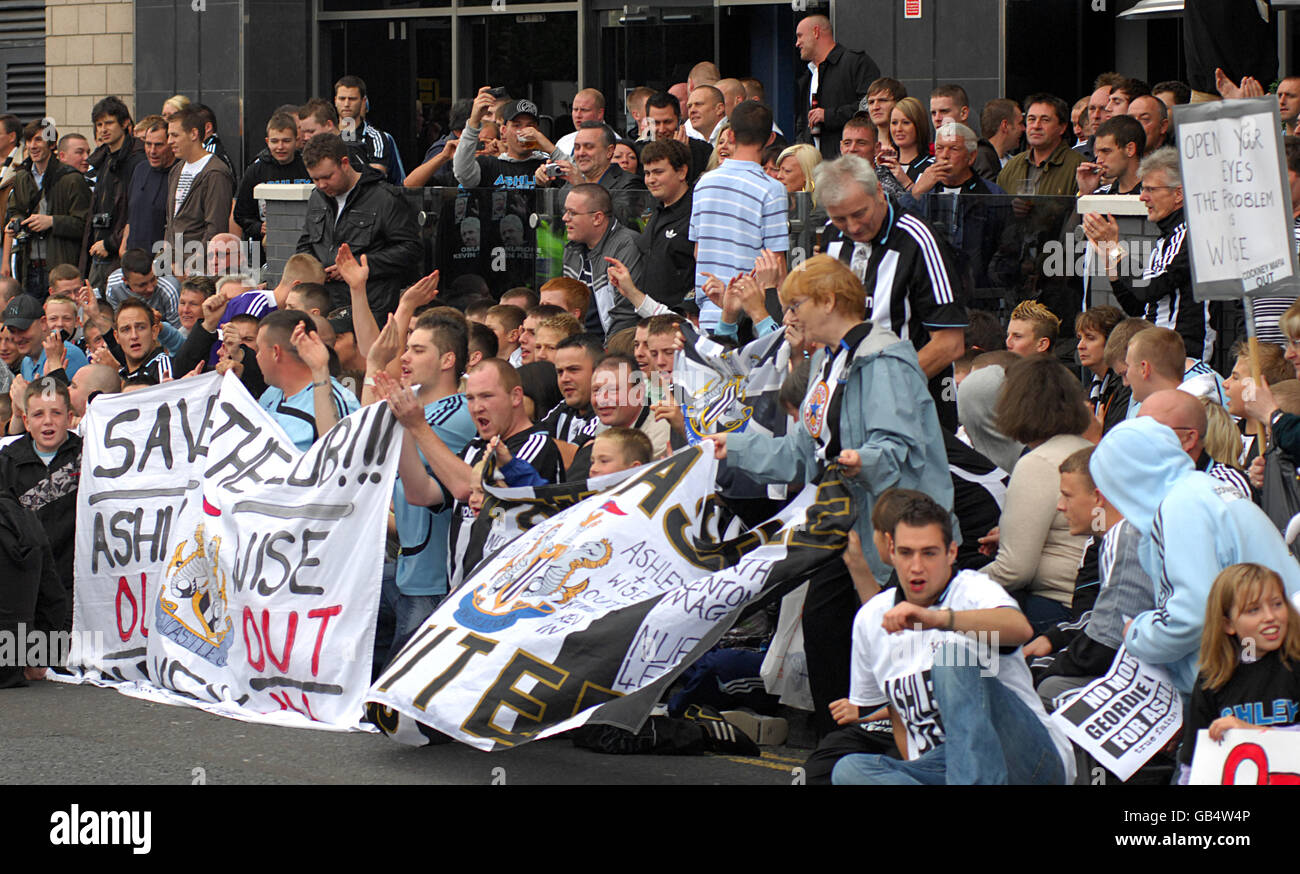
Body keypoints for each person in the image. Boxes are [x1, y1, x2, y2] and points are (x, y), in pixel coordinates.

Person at [709, 254, 952, 735]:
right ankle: (840, 743)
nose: (791, 316)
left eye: (796, 304)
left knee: (883, 645)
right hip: (847, 525)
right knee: (825, 632)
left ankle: (879, 745)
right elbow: (800, 452)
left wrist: (863, 460)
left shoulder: (884, 360)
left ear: (828, 301)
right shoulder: (828, 360)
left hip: (899, 535)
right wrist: (730, 446)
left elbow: (899, 448)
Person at [829, 494, 1075, 785]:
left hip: (1025, 761)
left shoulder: (973, 590)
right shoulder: (871, 618)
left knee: (952, 658)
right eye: (907, 553)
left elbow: (1019, 629)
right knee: (850, 771)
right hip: (942, 766)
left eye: (929, 553)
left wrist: (940, 619)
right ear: (892, 551)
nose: (916, 566)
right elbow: (899, 715)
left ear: (951, 553)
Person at [1091, 416, 1300, 695]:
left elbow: (1192, 615)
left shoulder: (1180, 506)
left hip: (1252, 678)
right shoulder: (1201, 488)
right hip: (1275, 659)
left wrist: (1137, 635)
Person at [383, 358, 565, 590]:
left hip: (510, 593)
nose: (477, 406)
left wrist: (419, 426)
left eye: (487, 396)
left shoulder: (536, 444)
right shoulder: (474, 448)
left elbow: (465, 488)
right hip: (462, 592)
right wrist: (404, 428)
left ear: (516, 397)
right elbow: (421, 494)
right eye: (470, 398)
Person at [815, 155, 966, 431]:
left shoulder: (918, 239)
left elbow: (950, 343)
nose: (853, 227)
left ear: (880, 193)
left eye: (860, 213)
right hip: (844, 406)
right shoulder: (831, 237)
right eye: (839, 219)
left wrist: (882, 387)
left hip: (910, 409)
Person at [378, 311, 476, 658]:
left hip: (433, 578)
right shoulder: (412, 404)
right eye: (406, 348)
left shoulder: (459, 413)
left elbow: (416, 489)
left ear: (448, 360)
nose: (405, 357)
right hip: (407, 570)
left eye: (418, 350)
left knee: (399, 694)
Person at [1027, 446, 1155, 708]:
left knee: (1048, 689)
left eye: (1067, 496)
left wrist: (1045, 669)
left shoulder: (1125, 537)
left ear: (1098, 498)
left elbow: (1104, 645)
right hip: (1143, 660)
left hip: (1159, 678)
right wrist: (1057, 637)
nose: (1060, 506)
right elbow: (1104, 621)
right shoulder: (1111, 535)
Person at [980, 356, 1092, 631]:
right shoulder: (1088, 451)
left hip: (1056, 607)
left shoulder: (1037, 463)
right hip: (1086, 604)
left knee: (955, 642)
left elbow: (1014, 570)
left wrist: (952, 588)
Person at [1083, 146, 1209, 361]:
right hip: (1156, 354)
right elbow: (1138, 306)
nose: (1142, 198)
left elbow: (1149, 289)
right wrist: (1110, 259)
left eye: (1150, 190)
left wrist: (1115, 249)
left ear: (1178, 194)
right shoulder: (1166, 238)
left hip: (1182, 360)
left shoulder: (1190, 233)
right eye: (1143, 189)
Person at [1178, 563, 1300, 781]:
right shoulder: (1212, 678)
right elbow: (1192, 764)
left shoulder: (1295, 662)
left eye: (1277, 604)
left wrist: (1252, 733)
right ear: (1228, 624)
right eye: (1254, 610)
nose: (1270, 616)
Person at [296, 133, 421, 320]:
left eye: (328, 176)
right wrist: (315, 270)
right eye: (315, 179)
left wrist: (360, 265)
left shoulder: (385, 198)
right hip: (326, 306)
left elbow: (412, 250)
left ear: (345, 163)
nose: (322, 184)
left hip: (371, 306)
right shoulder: (317, 197)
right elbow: (305, 244)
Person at [689, 101, 787, 333]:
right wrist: (786, 311)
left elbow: (697, 251)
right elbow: (775, 263)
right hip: (754, 318)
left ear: (730, 135)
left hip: (711, 312)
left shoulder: (703, 183)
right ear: (771, 138)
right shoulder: (772, 189)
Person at [0, 377, 82, 596]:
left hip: (76, 583)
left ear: (70, 417)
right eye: (38, 414)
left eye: (56, 413)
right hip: (25, 585)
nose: (48, 421)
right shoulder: (7, 462)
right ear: (26, 421)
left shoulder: (89, 456)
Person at [3, 121, 91, 298]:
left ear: (51, 144)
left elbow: (85, 226)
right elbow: (14, 210)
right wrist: (17, 222)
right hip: (28, 267)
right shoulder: (21, 177)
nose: (32, 146)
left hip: (61, 269)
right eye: (28, 141)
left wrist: (52, 222)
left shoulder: (72, 179)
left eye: (38, 140)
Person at [255, 309, 358, 452]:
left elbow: (342, 460)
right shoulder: (272, 393)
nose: (257, 357)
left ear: (276, 352)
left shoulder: (335, 399)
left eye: (259, 349)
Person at [1138, 388, 1252, 500]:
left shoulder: (1224, 485)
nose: (1139, 436)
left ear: (1188, 439)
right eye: (1137, 426)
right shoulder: (1141, 479)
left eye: (1155, 429)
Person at [794, 14, 880, 160]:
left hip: (848, 164)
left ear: (816, 32)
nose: (797, 43)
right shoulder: (808, 76)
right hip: (816, 165)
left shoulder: (855, 63)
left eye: (800, 36)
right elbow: (802, 122)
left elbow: (870, 107)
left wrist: (828, 115)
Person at [561, 183, 641, 338]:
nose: (565, 218)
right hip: (577, 345)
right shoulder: (572, 248)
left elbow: (626, 315)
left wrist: (608, 356)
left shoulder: (626, 245)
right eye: (565, 211)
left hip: (614, 350)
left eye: (572, 213)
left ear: (597, 218)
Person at [82, 96, 146, 289]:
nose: (103, 129)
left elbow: (137, 213)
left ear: (125, 123)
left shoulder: (138, 160)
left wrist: (111, 243)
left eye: (109, 123)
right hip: (98, 251)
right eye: (99, 124)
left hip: (122, 254)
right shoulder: (103, 158)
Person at [164, 108, 236, 266]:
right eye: (169, 135)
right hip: (172, 263)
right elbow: (172, 221)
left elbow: (215, 228)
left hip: (197, 269)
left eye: (175, 135)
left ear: (194, 134)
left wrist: (192, 264)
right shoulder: (176, 170)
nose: (169, 141)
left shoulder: (215, 173)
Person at [453, 91, 564, 190]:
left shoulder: (547, 165)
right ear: (504, 130)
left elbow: (578, 180)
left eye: (530, 126)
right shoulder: (489, 164)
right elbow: (462, 174)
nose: (524, 132)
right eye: (517, 125)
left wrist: (549, 148)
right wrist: (474, 120)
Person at [632, 139, 694, 310]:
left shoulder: (697, 214)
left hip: (680, 322)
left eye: (658, 172)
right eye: (647, 173)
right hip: (648, 316)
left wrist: (689, 311)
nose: (651, 180)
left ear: (681, 172)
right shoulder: (654, 212)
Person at [234, 112, 310, 242]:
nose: (280, 147)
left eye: (286, 141)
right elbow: (241, 214)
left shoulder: (308, 166)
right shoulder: (255, 170)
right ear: (267, 141)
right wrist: (258, 227)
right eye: (275, 141)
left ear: (297, 140)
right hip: (266, 244)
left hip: (304, 239)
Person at [997, 94, 1082, 196]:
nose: (1036, 126)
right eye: (1031, 119)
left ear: (1062, 127)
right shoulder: (1011, 167)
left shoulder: (1078, 168)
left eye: (1045, 120)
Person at [123, 115, 175, 255]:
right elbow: (132, 213)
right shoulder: (140, 169)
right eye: (148, 144)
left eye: (159, 145)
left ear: (171, 143)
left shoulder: (180, 173)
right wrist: (123, 246)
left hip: (161, 261)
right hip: (132, 257)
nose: (152, 151)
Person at [640, 92, 715, 185]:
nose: (662, 129)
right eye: (656, 123)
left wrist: (683, 155)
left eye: (667, 122)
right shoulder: (638, 151)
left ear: (679, 121)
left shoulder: (703, 150)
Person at [334, 74, 398, 180]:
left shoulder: (376, 137)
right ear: (335, 100)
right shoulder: (327, 136)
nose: (346, 104)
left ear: (363, 101)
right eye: (342, 98)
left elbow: (377, 175)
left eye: (352, 99)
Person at [1076, 115, 1144, 197]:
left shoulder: (1154, 194)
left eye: (1106, 151)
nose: (1098, 160)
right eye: (1098, 152)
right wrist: (1086, 193)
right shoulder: (1100, 194)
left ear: (1130, 149)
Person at [878, 97, 933, 196]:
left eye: (906, 123)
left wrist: (905, 180)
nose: (898, 129)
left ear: (919, 125)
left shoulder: (931, 166)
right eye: (894, 123)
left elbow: (926, 206)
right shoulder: (884, 164)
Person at [972, 98, 1024, 183]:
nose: (1024, 128)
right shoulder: (976, 160)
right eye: (1020, 123)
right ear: (1005, 126)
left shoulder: (1017, 163)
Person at [554, 88, 610, 157]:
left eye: (584, 110)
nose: (578, 115)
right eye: (575, 109)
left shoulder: (615, 144)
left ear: (600, 113)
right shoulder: (563, 142)